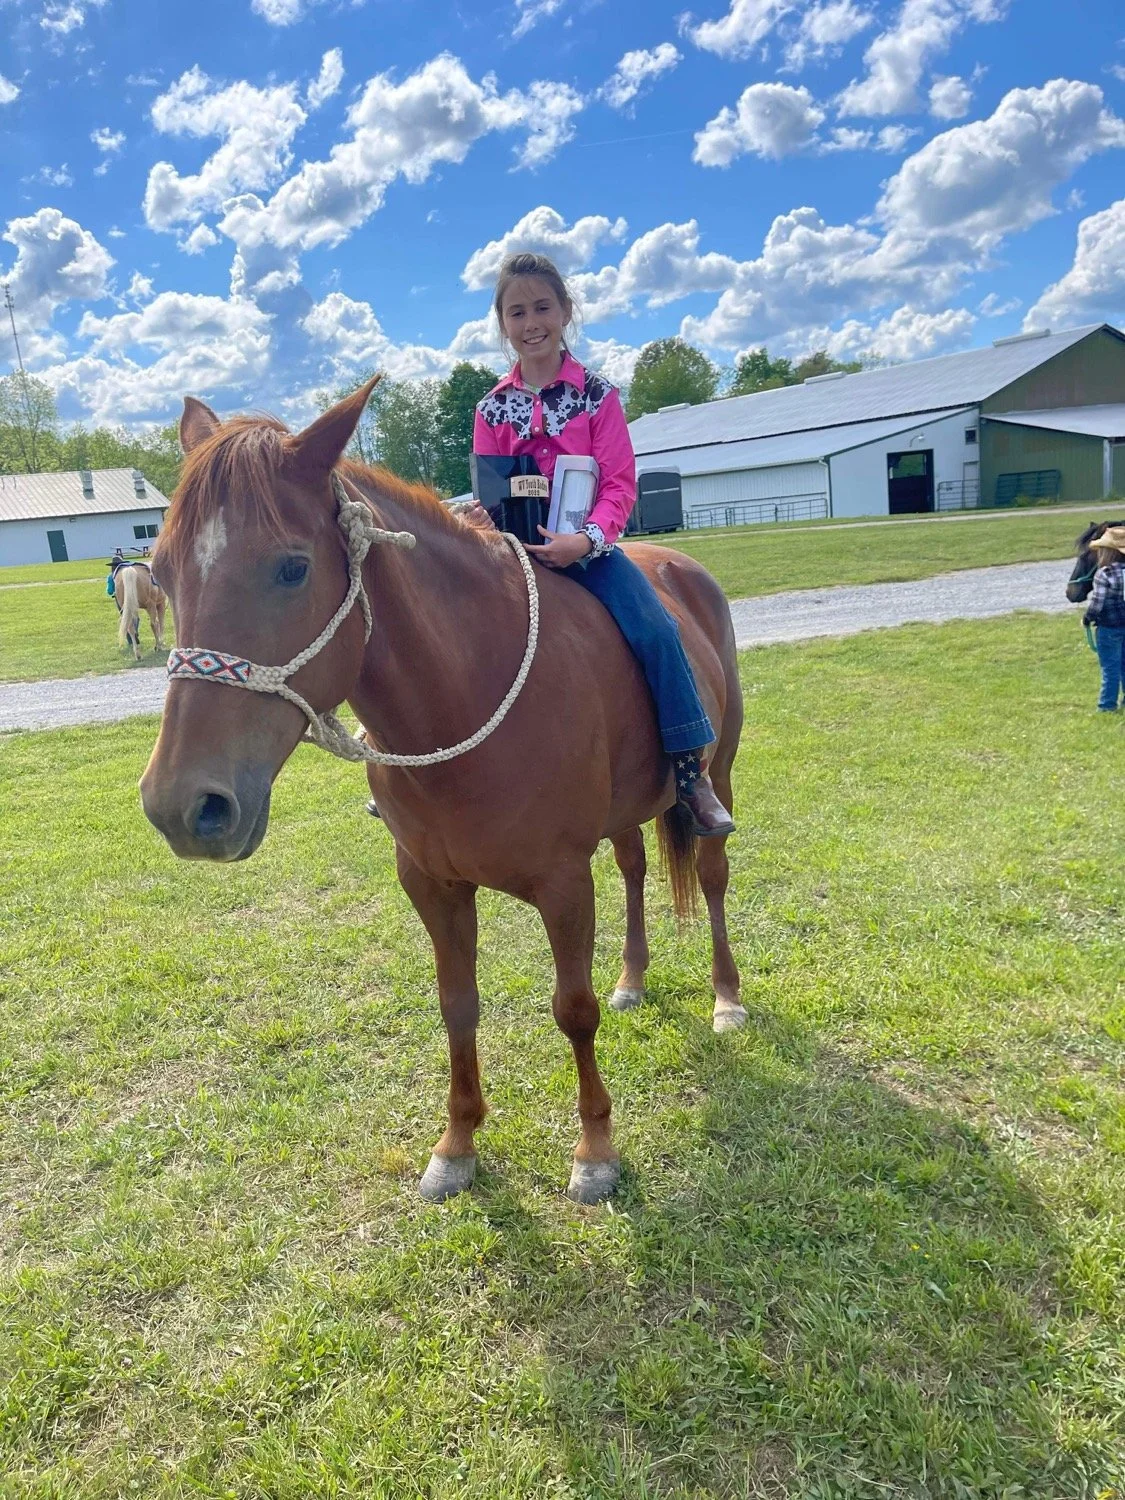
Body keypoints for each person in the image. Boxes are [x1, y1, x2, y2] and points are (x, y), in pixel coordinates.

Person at [468, 250, 734, 837]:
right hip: (512, 557)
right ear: (502, 323)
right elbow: (489, 489)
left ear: (565, 311)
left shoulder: (596, 395)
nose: (530, 322)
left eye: (542, 307)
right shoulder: (491, 407)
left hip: (587, 553)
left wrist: (583, 540)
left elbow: (618, 484)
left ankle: (690, 772)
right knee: (444, 627)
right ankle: (418, 772)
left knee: (658, 630)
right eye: (517, 312)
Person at [1082, 525, 1125, 712]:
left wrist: (1087, 618)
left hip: (1109, 627)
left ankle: (1107, 705)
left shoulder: (1104, 573)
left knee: (1110, 667)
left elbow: (1097, 603)